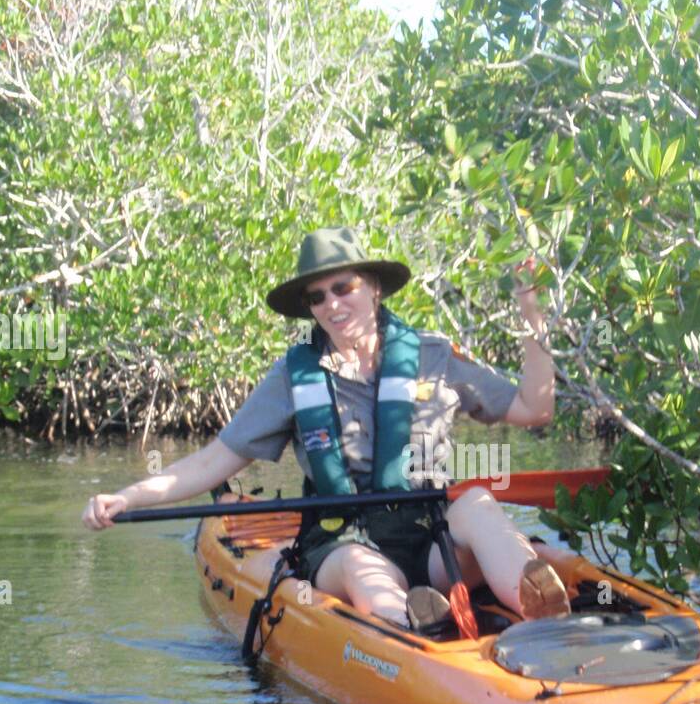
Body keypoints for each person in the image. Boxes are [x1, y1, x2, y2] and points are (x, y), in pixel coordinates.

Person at [82, 227, 571, 631]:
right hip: (342, 542)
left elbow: (534, 409)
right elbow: (212, 462)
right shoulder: (292, 378)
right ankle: (415, 629)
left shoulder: (433, 356)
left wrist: (532, 311)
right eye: (317, 297)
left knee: (479, 505)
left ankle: (545, 616)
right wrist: (127, 497)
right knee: (363, 567)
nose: (332, 305)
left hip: (430, 537)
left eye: (343, 288)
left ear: (373, 288)